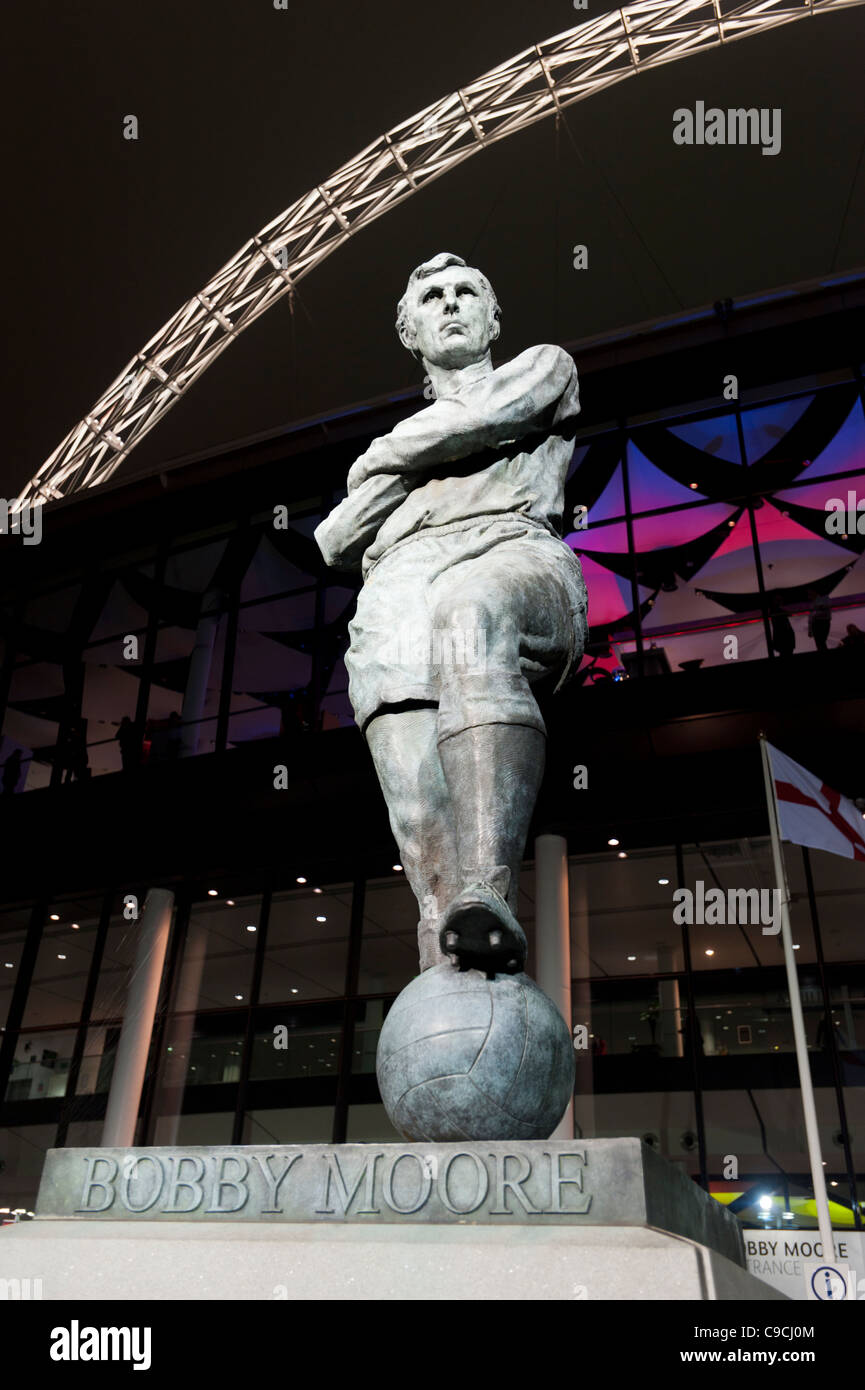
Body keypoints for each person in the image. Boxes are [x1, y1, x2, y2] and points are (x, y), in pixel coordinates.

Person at [315, 252, 586, 973]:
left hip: (509, 552)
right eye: (432, 297)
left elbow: (486, 416)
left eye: (467, 292)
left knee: (470, 614)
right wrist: (428, 451)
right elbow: (334, 539)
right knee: (413, 804)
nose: (451, 302)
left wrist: (383, 459)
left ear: (492, 317)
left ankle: (488, 889)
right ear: (410, 332)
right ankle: (448, 946)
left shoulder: (540, 369)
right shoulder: (421, 444)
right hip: (398, 594)